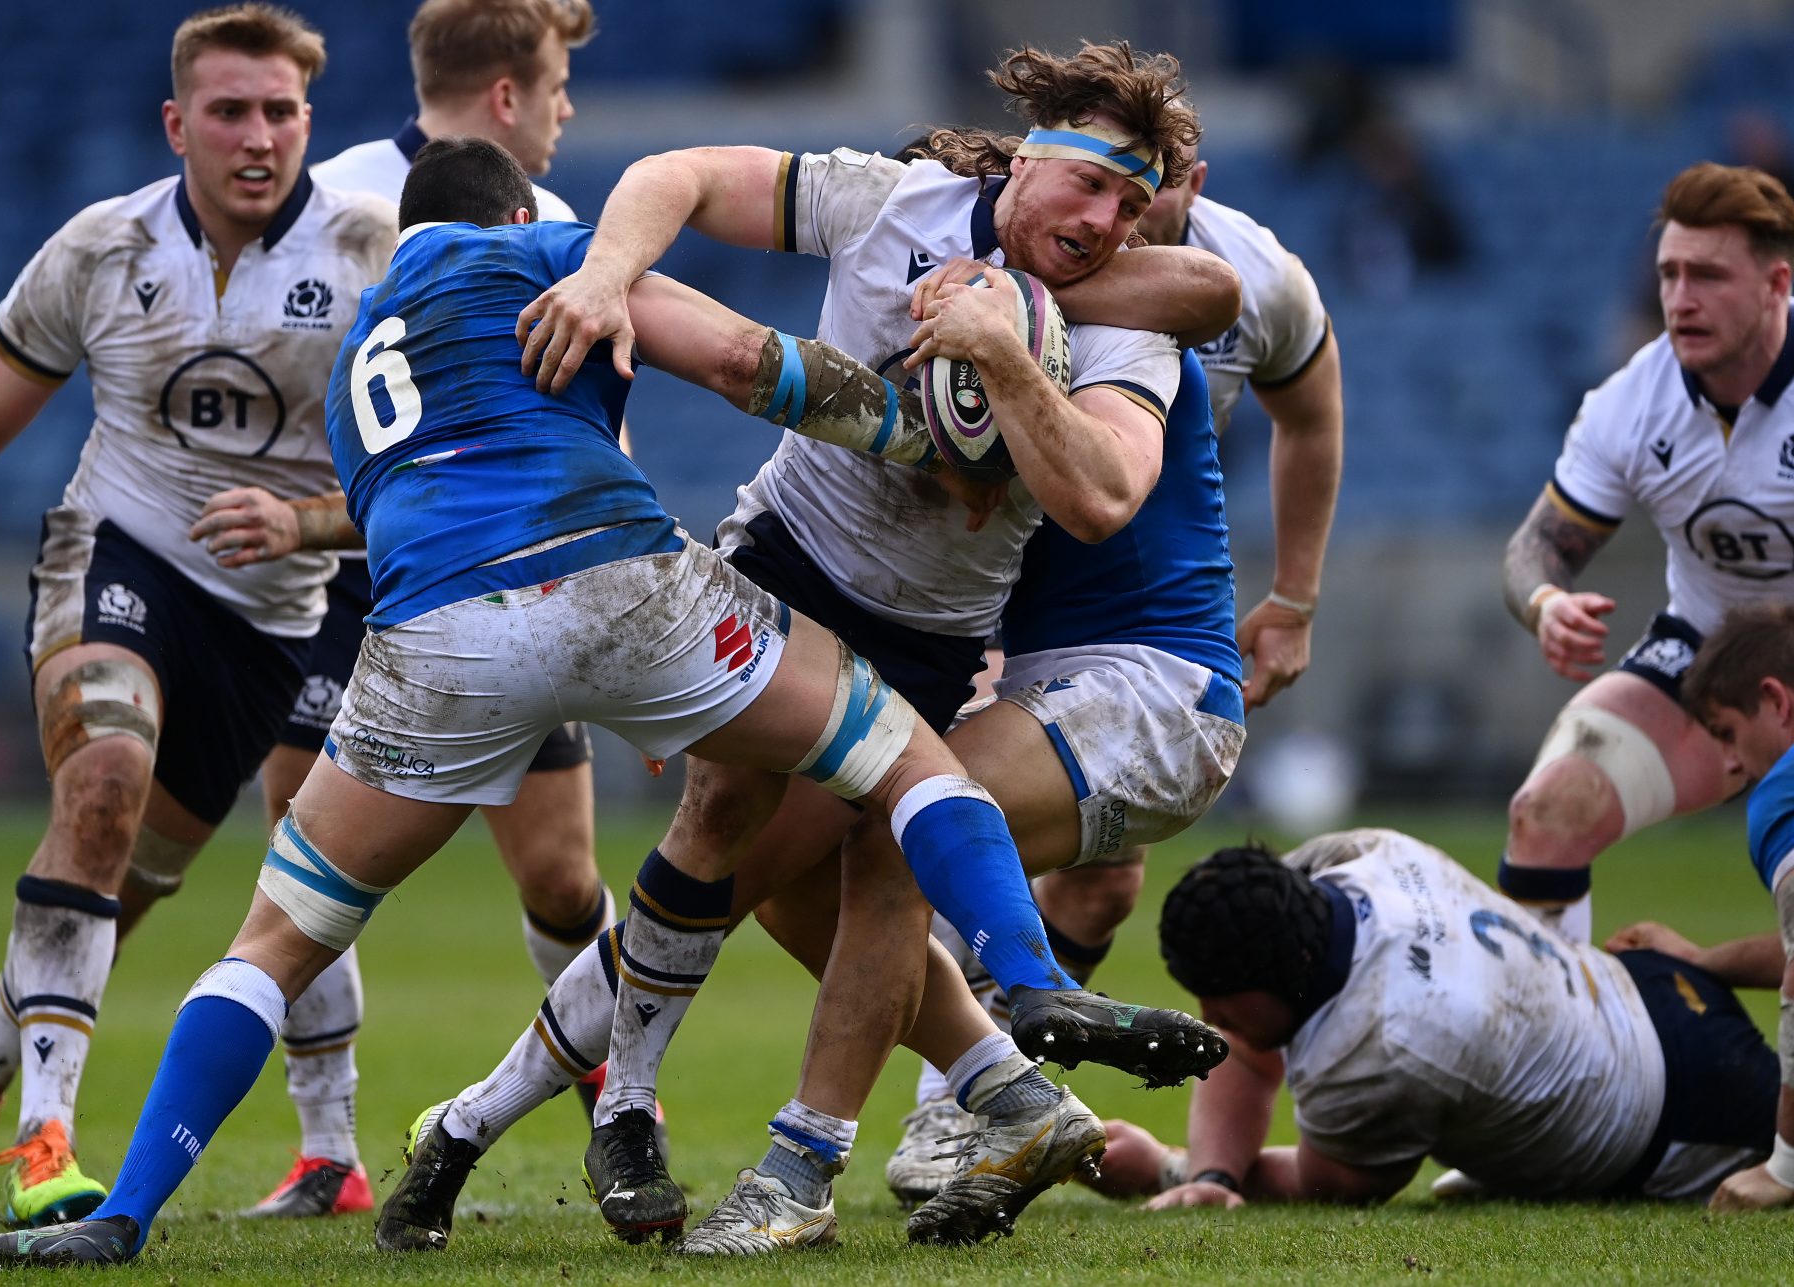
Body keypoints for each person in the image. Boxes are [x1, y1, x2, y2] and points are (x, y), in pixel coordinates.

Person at [0, 132, 1106, 1268]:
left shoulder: (361, 350)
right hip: (620, 585)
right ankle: (1034, 981)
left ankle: (126, 1212)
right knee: (906, 761)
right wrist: (924, 440)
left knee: (272, 943)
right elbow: (742, 362)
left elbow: (400, 501)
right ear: (515, 218)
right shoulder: (546, 256)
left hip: (430, 643)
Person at [376, 40, 1241, 1256]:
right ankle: (948, 1096)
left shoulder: (1129, 322)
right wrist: (605, 277)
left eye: (1131, 206)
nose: (1106, 221)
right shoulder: (888, 203)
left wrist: (997, 341)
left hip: (937, 639)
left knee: (791, 861)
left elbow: (1113, 478)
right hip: (785, 559)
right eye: (1090, 186)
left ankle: (525, 1126)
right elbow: (674, 173)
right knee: (731, 842)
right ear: (1029, 155)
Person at [0, 5, 398, 1229]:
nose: (258, 137)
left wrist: (303, 525)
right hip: (118, 557)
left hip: (272, 620)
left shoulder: (371, 255)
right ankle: (43, 1143)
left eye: (282, 112)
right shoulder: (100, 247)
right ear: (176, 122)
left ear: (309, 122)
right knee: (101, 786)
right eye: (232, 112)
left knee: (125, 886)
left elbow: (435, 471)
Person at [191, 0, 604, 1221]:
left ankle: (612, 1096)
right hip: (370, 584)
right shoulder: (334, 208)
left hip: (463, 574)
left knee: (550, 874)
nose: (568, 108)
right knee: (320, 872)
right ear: (505, 96)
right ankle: (331, 1155)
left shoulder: (329, 197)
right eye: (561, 82)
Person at [887, 133, 1343, 1207]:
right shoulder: (1033, 263)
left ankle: (957, 1111)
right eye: (1104, 192)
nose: (1121, 220)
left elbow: (1310, 411)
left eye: (1151, 192)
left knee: (926, 831)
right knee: (937, 838)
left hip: (1138, 619)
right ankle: (979, 1106)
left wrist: (1295, 599)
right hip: (1021, 590)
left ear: (1195, 184)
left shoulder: (1248, 280)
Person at [1094, 829, 1794, 1208]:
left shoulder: (1387, 1046)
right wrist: (1214, 1176)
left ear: (1285, 971)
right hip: (1646, 985)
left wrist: (1168, 1170)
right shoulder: (1354, 858)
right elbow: (1248, 1044)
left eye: (1218, 995)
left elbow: (1334, 1183)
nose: (1207, 1015)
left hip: (1688, 1105)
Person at [1498, 162, 1794, 945]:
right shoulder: (1629, 403)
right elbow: (1536, 548)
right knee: (1546, 814)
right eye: (1669, 273)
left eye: (1709, 275)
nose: (1680, 298)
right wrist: (1547, 603)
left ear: (1776, 282)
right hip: (1708, 655)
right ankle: (1557, 1056)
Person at [1664, 600, 1794, 1210]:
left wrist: (1785, 1169)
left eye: (1726, 733)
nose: (1731, 764)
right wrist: (1700, 959)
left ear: (1776, 699)